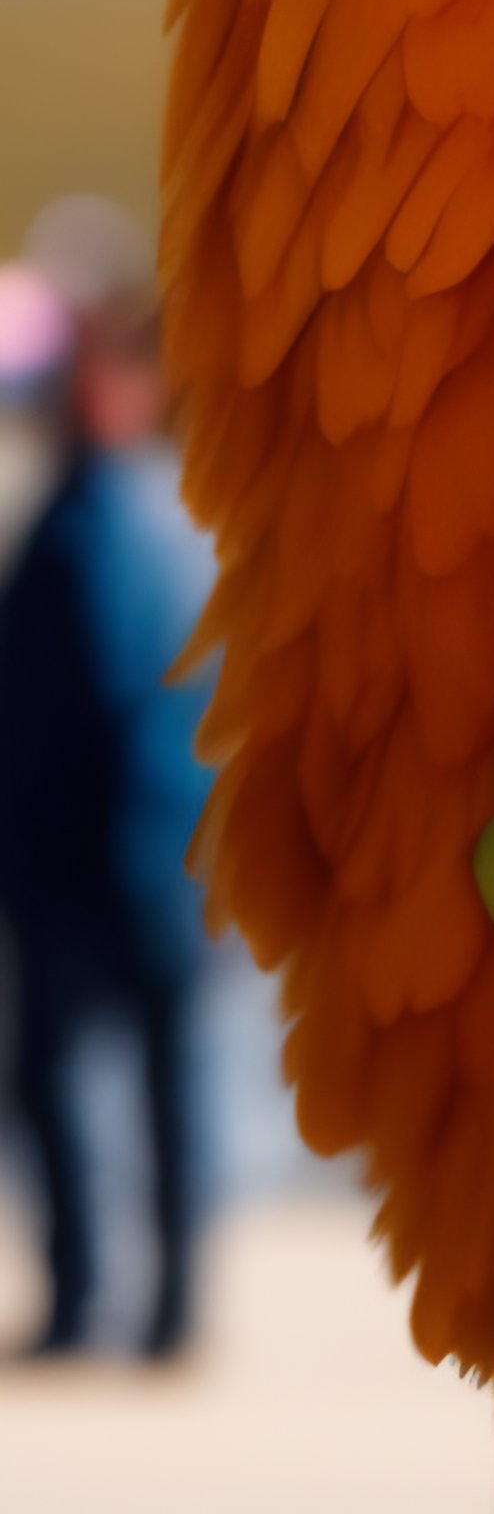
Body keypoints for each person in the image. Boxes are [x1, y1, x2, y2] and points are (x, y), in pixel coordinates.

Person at [0, 217, 212, 1358]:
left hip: (121, 860)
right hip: (116, 858)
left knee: (125, 1088)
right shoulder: (132, 516)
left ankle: (138, 1304)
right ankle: (126, 1301)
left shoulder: (128, 523)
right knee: (97, 1088)